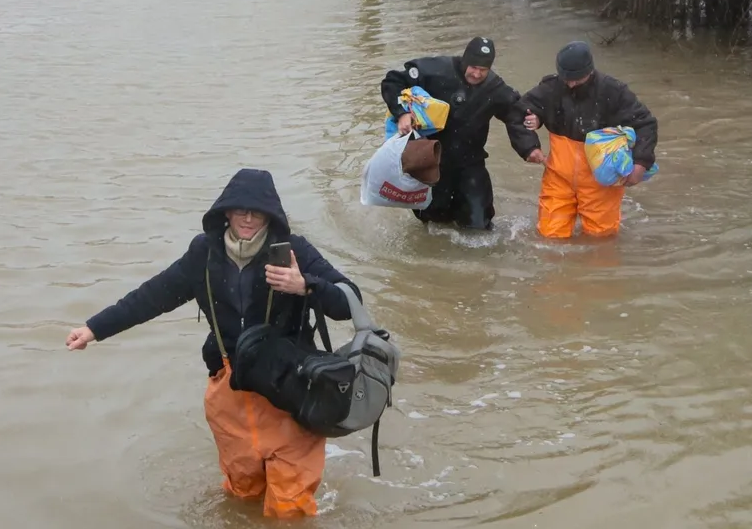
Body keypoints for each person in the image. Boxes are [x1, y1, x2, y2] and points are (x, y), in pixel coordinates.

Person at [65, 168, 359, 519]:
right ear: (226, 213)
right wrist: (94, 329)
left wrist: (305, 285)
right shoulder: (203, 253)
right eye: (240, 210)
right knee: (242, 497)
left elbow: (349, 301)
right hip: (230, 389)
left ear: (271, 214)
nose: (248, 219)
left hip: (291, 392)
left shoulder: (295, 251)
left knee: (290, 511)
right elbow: (152, 296)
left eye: (257, 211)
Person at [380, 35, 540, 230]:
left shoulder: (495, 88)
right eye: (473, 67)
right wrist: (402, 113)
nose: (477, 74)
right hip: (432, 160)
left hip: (470, 162)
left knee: (480, 224)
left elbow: (517, 115)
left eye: (483, 70)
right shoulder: (436, 70)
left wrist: (530, 147)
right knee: (434, 223)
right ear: (465, 61)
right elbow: (393, 81)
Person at [519, 41, 658, 239]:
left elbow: (646, 123)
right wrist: (529, 145)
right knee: (549, 237)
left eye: (577, 79)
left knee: (601, 241)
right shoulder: (550, 89)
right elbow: (519, 112)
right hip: (558, 176)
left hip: (602, 180)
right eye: (566, 78)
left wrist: (641, 163)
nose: (571, 84)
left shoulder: (613, 91)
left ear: (590, 71)